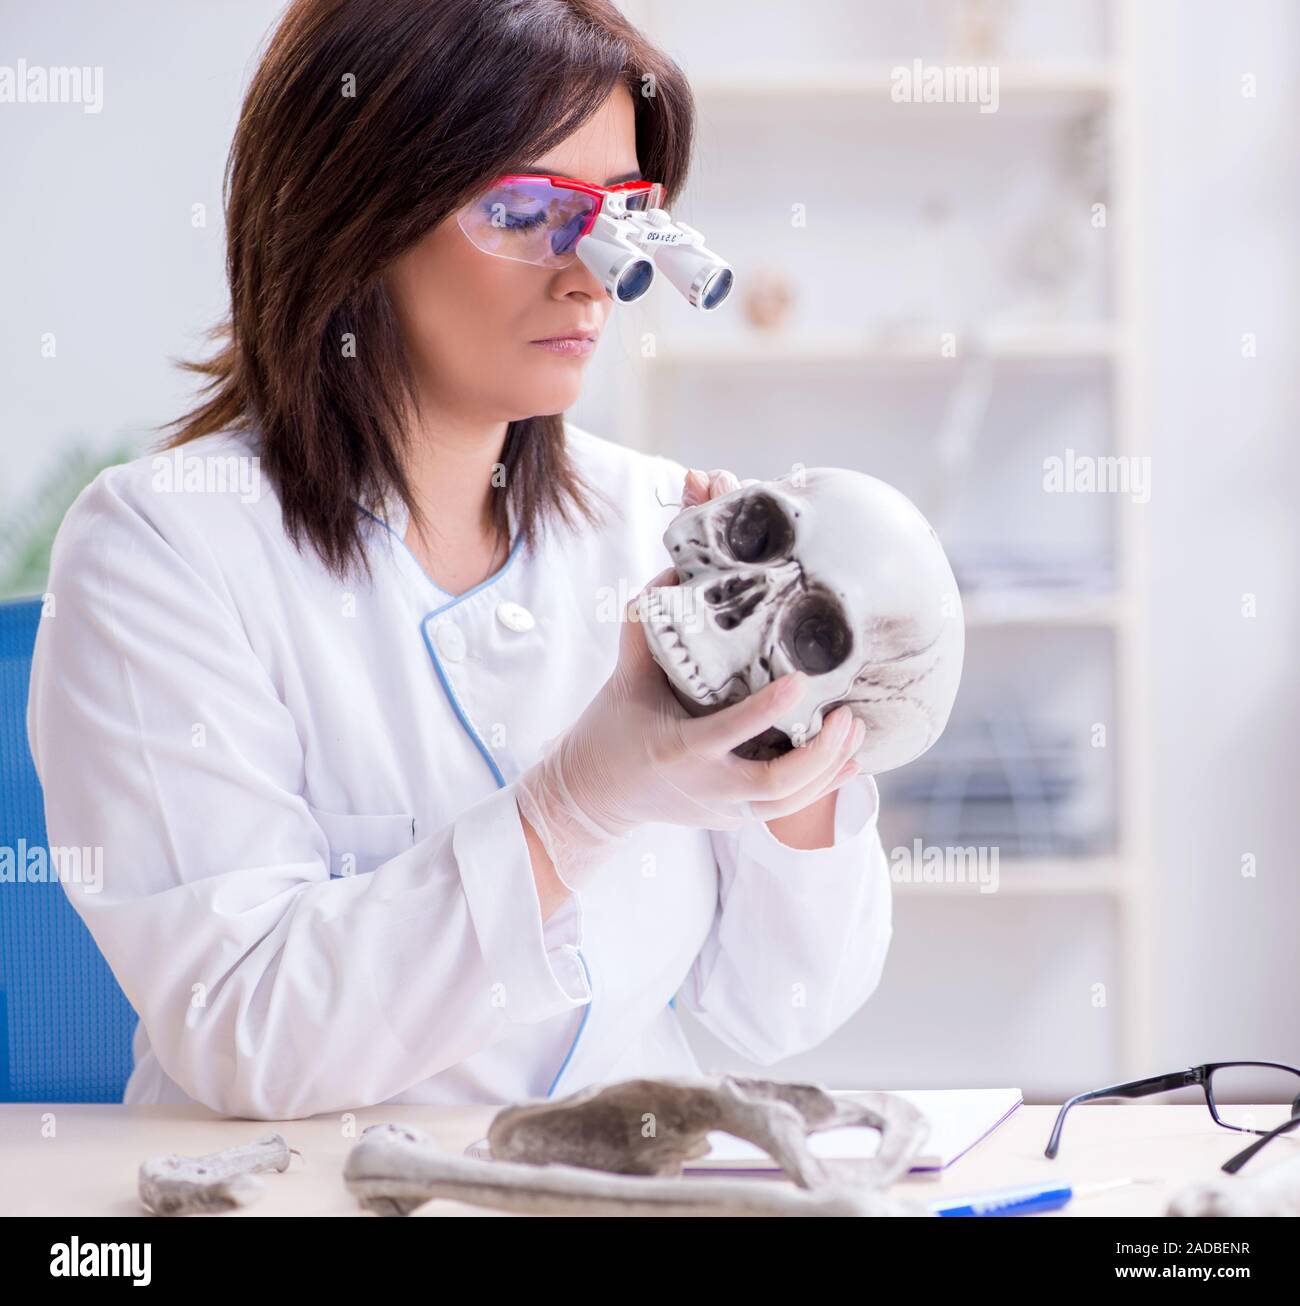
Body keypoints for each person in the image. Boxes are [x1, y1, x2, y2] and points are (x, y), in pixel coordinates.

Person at [26, 0, 890, 1120]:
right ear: (353, 211)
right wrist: (581, 801)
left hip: (635, 1183)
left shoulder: (660, 528)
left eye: (623, 216)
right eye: (529, 208)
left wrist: (790, 758)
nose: (590, 278)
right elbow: (252, 1031)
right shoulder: (165, 547)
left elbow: (783, 1004)